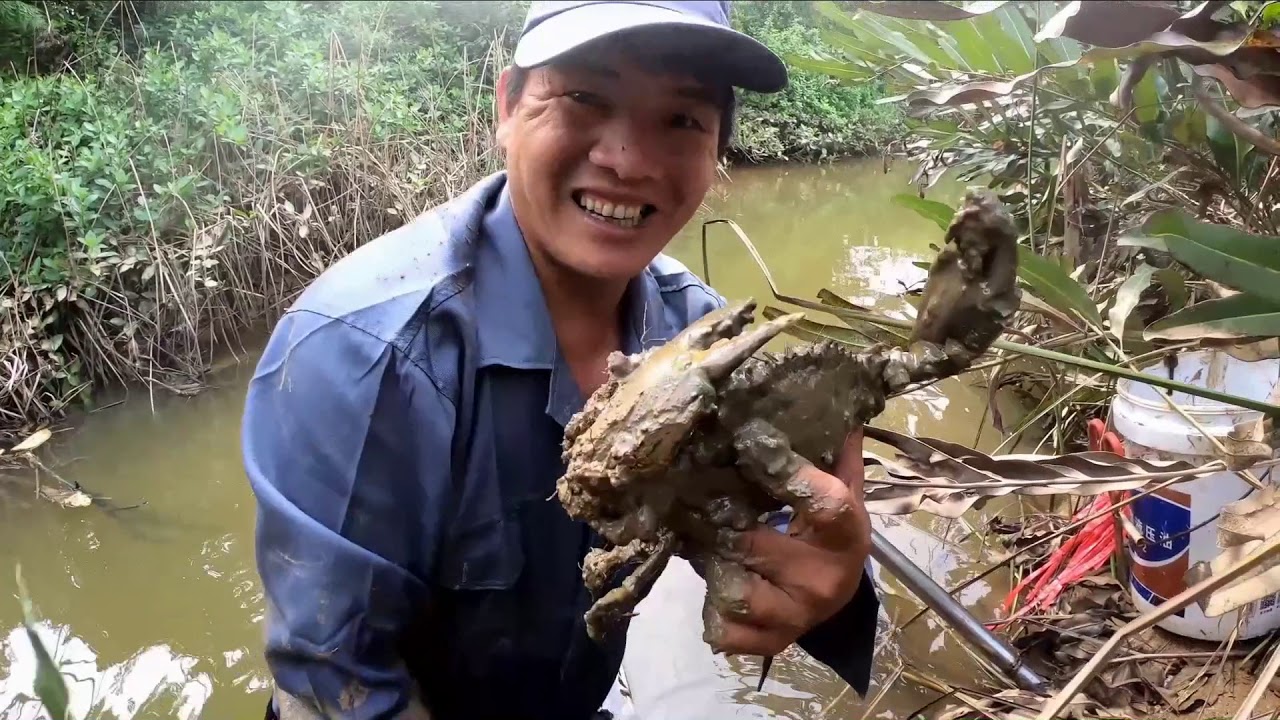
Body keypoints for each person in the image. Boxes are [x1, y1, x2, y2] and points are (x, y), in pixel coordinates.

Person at [241, 2, 880, 719]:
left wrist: (829, 579)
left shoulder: (697, 334)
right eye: (584, 98)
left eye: (681, 121)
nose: (628, 161)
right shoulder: (362, 353)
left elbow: (782, 532)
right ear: (508, 107)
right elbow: (336, 680)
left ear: (717, 150)